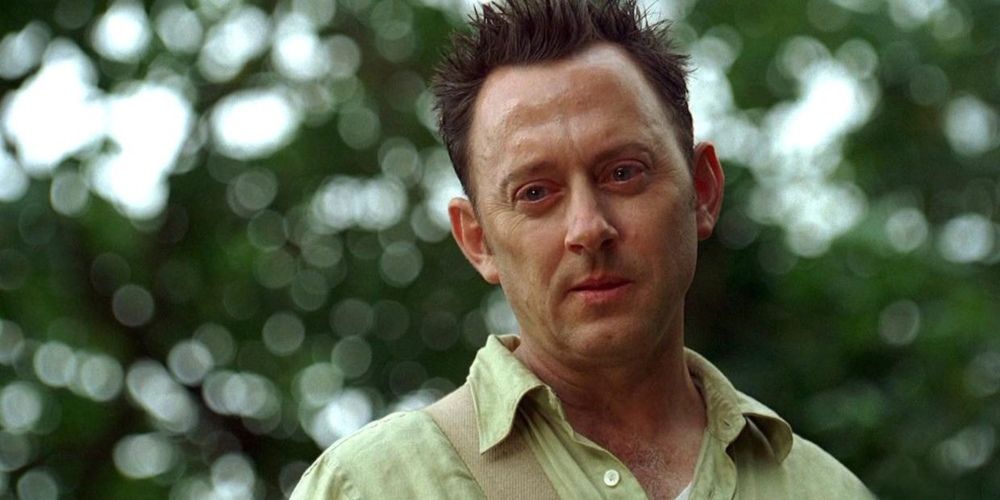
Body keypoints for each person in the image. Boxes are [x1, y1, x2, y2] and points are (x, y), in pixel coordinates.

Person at [291, 0, 874, 498]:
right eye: (535, 193)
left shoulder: (828, 491)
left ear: (702, 191)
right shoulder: (370, 487)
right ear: (477, 239)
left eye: (623, 173)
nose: (588, 229)